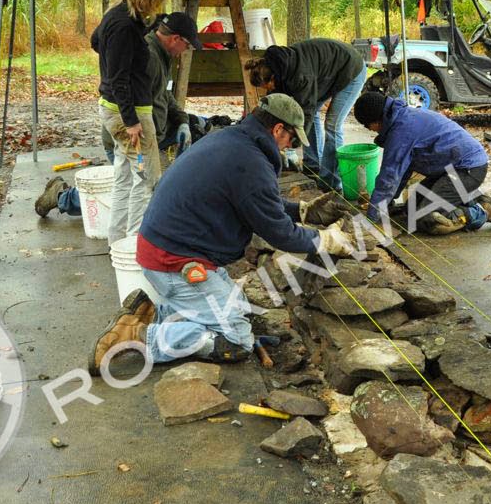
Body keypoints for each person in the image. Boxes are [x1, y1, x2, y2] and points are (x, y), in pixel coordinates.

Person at [89, 94, 356, 373]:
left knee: (238, 308)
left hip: (168, 246)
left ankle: (151, 313)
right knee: (237, 340)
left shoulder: (233, 141)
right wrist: (325, 240)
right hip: (175, 260)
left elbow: (256, 201)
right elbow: (279, 233)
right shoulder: (251, 163)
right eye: (293, 139)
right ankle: (138, 337)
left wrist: (302, 211)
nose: (292, 146)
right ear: (278, 129)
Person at [37, 11, 202, 218]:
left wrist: (183, 122)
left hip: (148, 132)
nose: (186, 50)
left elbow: (164, 95)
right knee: (134, 191)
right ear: (175, 38)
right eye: (187, 45)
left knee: (138, 187)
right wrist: (136, 136)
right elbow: (122, 94)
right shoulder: (148, 57)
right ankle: (62, 197)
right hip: (129, 134)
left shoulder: (163, 55)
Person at [352, 92, 491, 235]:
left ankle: (480, 212)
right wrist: (386, 203)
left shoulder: (401, 130)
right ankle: (474, 198)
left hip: (468, 169)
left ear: (376, 119)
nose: (369, 129)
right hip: (449, 171)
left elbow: (389, 177)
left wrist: (371, 219)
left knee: (425, 219)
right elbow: (403, 171)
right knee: (410, 210)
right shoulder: (401, 117)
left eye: (367, 125)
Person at [94, 0, 170, 242]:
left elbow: (96, 41)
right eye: (157, 0)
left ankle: (118, 240)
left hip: (115, 110)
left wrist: (146, 29)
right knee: (146, 179)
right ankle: (136, 243)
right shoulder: (124, 26)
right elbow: (119, 79)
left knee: (125, 176)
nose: (158, 6)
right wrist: (131, 121)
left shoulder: (116, 17)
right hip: (128, 113)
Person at [246, 38, 367, 191]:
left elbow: (305, 113)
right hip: (325, 75)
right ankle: (312, 166)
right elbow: (276, 107)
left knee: (332, 124)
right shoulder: (277, 67)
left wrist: (294, 141)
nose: (267, 90)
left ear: (273, 78)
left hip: (351, 70)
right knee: (312, 115)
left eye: (266, 86)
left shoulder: (299, 77)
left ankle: (330, 182)